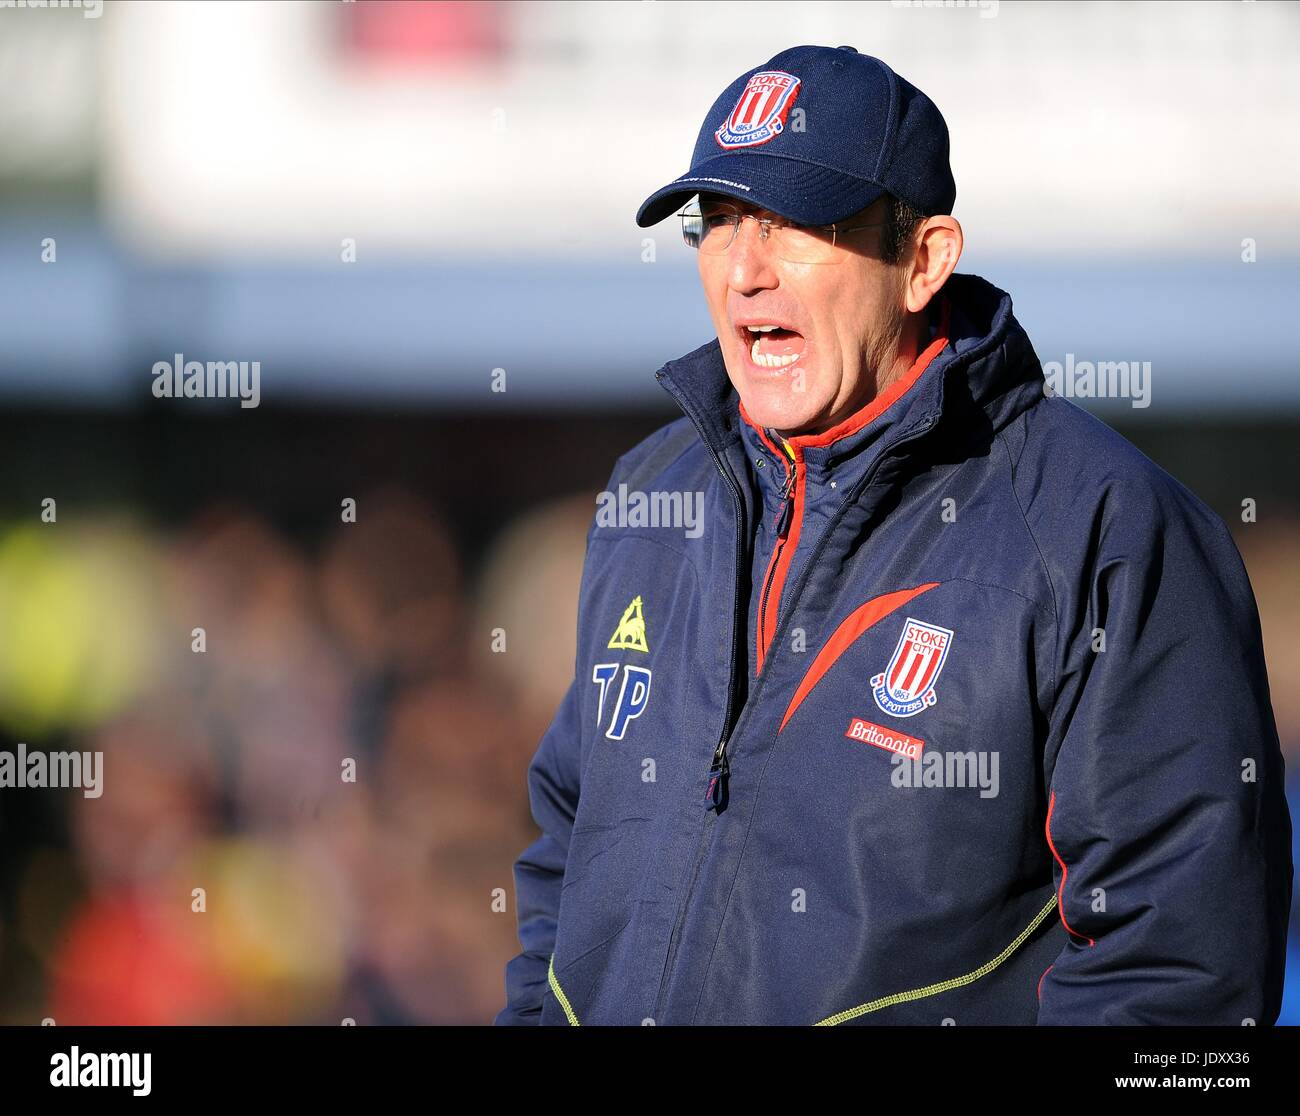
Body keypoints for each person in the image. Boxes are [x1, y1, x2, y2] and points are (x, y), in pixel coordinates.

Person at [495, 44, 1293, 1025]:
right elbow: (566, 872)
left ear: (922, 261)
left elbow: (1177, 971)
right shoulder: (650, 497)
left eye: (793, 225)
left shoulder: (1102, 528)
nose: (743, 269)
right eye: (719, 224)